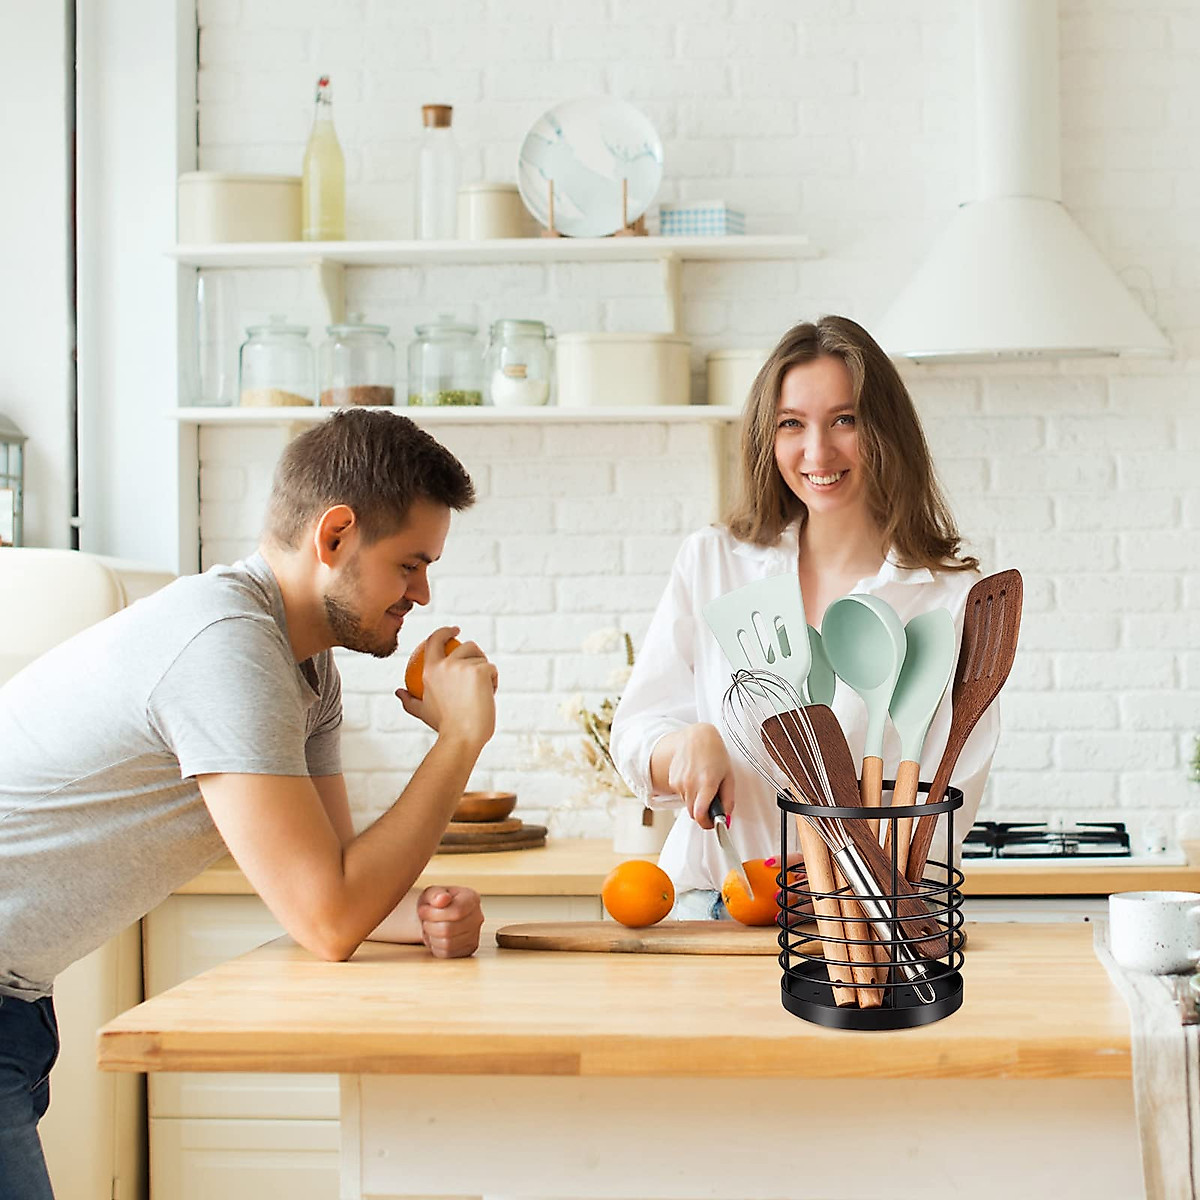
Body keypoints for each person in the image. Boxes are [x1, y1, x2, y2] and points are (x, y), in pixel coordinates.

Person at [0, 409, 498, 1198]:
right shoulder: (224, 642)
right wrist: (460, 740)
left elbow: (329, 879)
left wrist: (419, 917)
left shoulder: (302, 667)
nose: (424, 594)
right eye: (410, 564)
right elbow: (329, 918)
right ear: (334, 537)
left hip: (17, 1001)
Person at [610, 315, 1001, 919]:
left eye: (845, 420)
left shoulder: (948, 599)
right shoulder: (714, 562)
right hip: (709, 908)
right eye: (792, 424)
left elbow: (949, 804)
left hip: (862, 930)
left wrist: (844, 895)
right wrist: (683, 745)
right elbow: (637, 729)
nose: (817, 452)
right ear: (768, 437)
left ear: (887, 431)